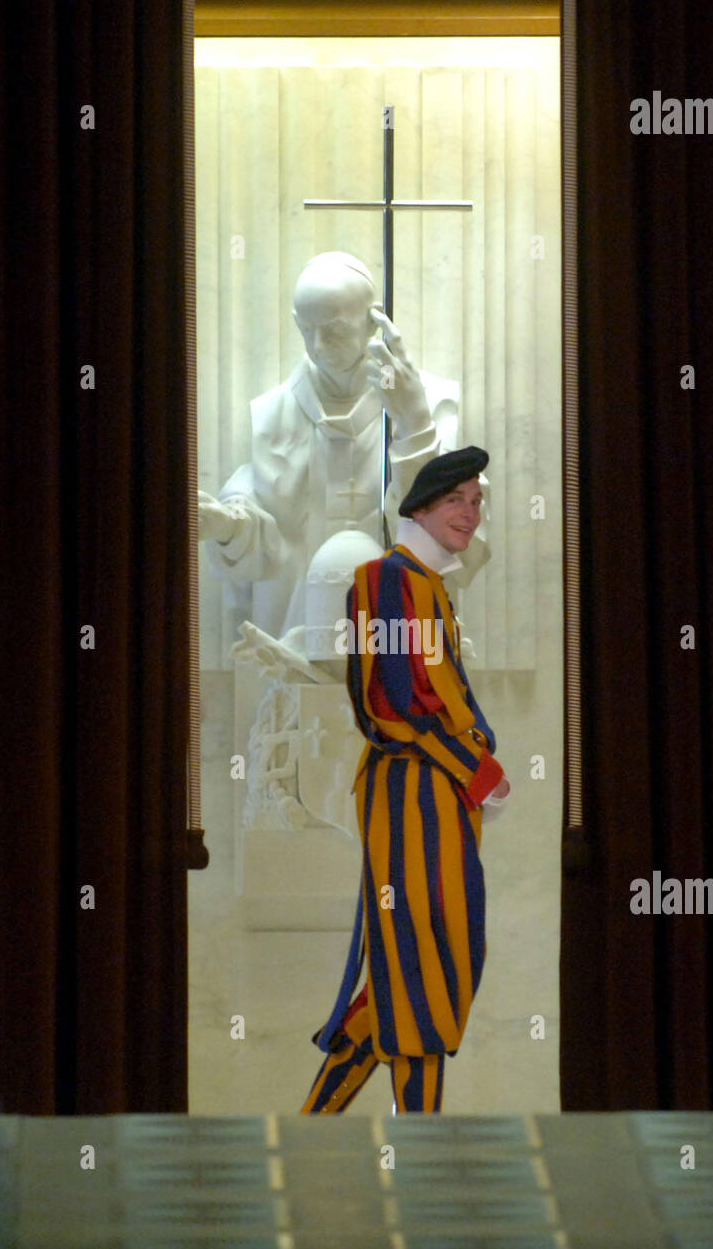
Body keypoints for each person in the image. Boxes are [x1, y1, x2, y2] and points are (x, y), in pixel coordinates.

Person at [301, 446, 510, 1115]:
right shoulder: (386, 581)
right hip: (410, 791)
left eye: (476, 502)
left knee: (429, 963)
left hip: (440, 796)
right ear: (421, 507)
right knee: (420, 968)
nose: (470, 514)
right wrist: (475, 769)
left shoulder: (429, 588)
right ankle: (420, 1148)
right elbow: (389, 706)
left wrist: (476, 768)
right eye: (457, 501)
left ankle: (317, 1127)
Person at [197, 252, 487, 642]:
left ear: (372, 322)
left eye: (333, 330)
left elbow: (457, 546)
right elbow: (270, 552)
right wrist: (227, 528)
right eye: (307, 329)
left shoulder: (432, 404)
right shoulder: (272, 414)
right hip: (298, 641)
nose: (318, 345)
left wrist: (414, 423)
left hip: (402, 641)